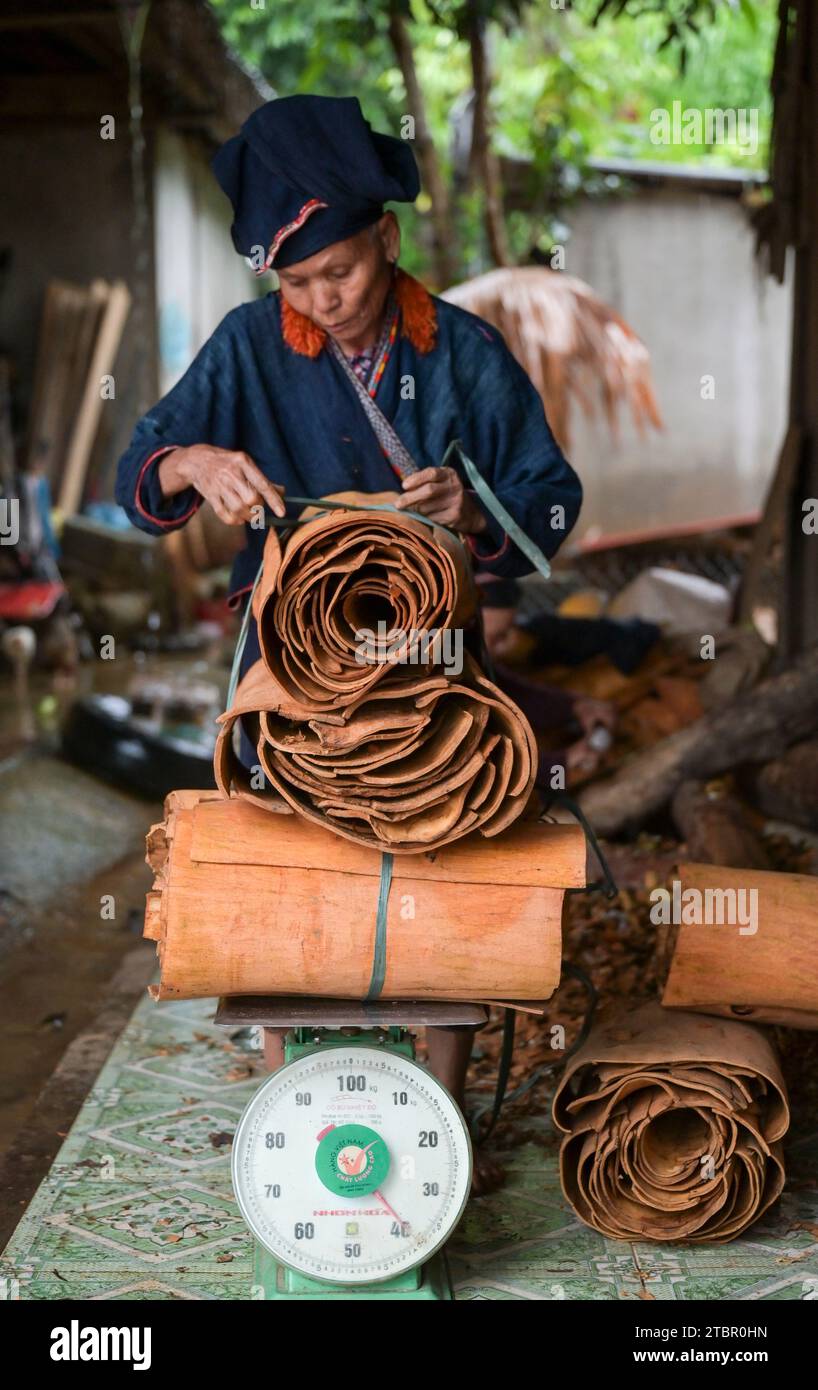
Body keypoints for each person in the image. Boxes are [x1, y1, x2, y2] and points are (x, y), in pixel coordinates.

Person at [115, 95, 582, 1185]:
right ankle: (294, 1091)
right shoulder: (247, 346)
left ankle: (441, 1102)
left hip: (426, 659)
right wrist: (193, 464)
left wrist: (468, 512)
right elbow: (141, 455)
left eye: (340, 272)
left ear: (388, 238)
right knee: (289, 856)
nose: (324, 303)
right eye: (295, 284)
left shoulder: (463, 351)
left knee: (443, 837)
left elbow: (552, 501)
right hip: (287, 659)